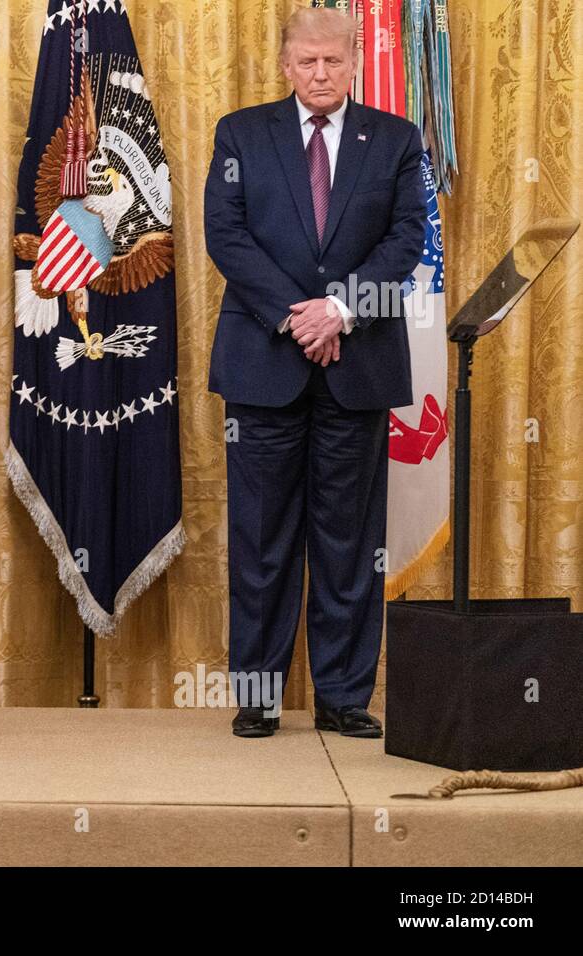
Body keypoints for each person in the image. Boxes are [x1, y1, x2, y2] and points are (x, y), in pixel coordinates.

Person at [203, 7, 425, 739]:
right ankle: (259, 696)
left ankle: (343, 697)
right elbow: (225, 235)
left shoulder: (395, 140)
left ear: (355, 61)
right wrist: (298, 316)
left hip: (357, 366)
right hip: (264, 365)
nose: (320, 74)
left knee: (349, 542)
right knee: (262, 541)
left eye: (333, 61)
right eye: (307, 62)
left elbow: (404, 242)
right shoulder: (240, 133)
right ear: (285, 64)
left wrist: (340, 310)